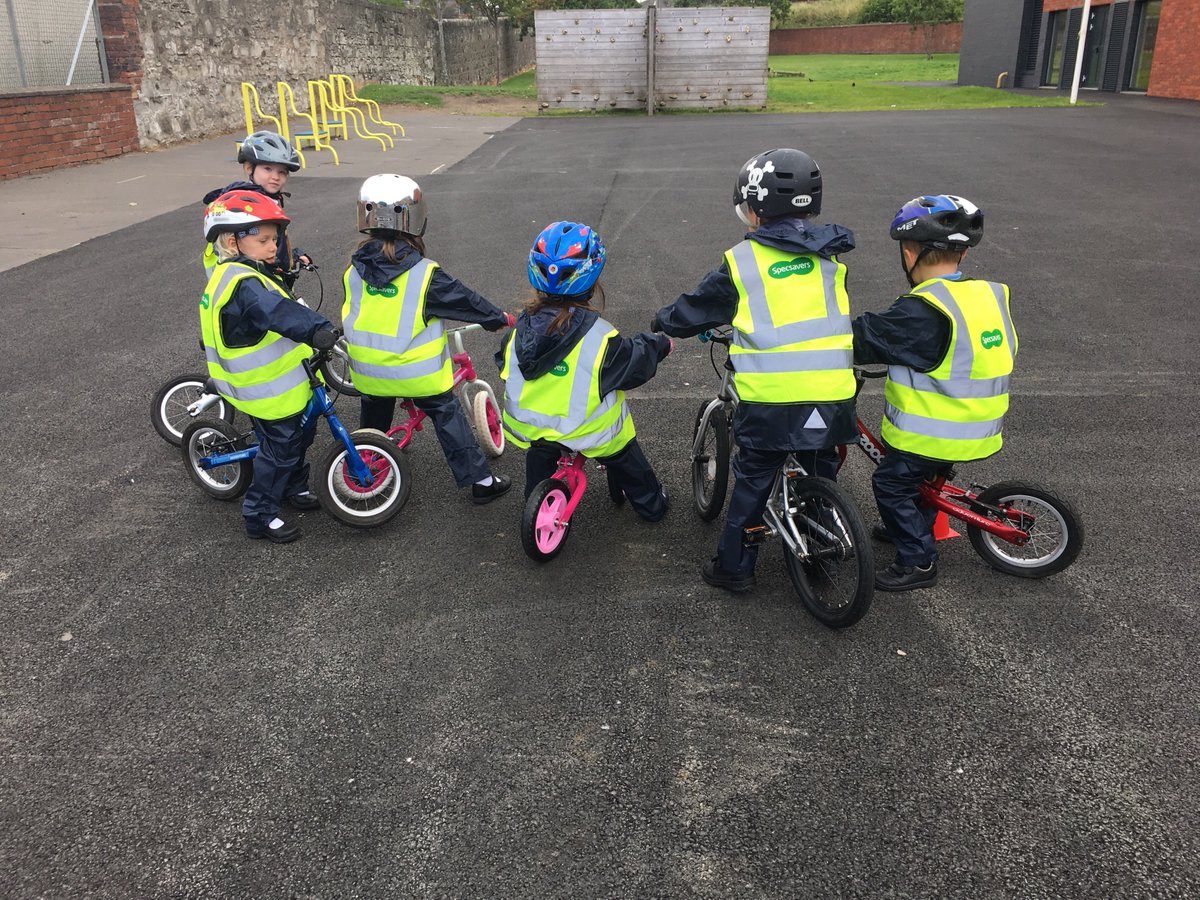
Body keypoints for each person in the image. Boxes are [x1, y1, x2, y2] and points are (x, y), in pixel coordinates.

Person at [652, 148, 857, 593]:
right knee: (819, 469)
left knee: (753, 480)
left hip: (770, 404)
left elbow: (695, 309)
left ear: (755, 209)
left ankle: (734, 568)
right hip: (834, 397)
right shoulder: (832, 258)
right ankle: (821, 546)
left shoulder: (743, 263)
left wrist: (663, 321)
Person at [853, 194, 1016, 591]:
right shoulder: (990, 294)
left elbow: (863, 339)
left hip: (934, 433)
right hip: (980, 424)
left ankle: (918, 560)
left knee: (890, 484)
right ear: (963, 253)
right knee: (919, 479)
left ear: (910, 252)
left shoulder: (922, 309)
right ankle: (911, 525)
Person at [342, 174, 512, 504]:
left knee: (375, 404)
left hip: (366, 371)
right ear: (415, 219)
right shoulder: (424, 274)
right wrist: (498, 318)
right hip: (416, 375)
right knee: (446, 412)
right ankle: (481, 481)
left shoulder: (353, 271)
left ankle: (368, 453)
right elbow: (466, 301)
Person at [498, 221, 671, 521]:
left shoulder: (518, 332)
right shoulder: (599, 337)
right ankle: (652, 505)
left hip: (531, 426)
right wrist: (660, 345)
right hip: (587, 429)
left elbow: (503, 364)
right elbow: (634, 362)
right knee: (623, 451)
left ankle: (535, 501)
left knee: (540, 455)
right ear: (591, 282)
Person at [200, 190, 340, 543]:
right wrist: (318, 329)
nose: (272, 247)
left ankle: (292, 486)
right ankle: (260, 515)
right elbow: (277, 312)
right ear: (232, 241)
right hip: (265, 389)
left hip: (282, 383)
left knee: (301, 435)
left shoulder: (250, 271)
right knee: (280, 449)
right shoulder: (244, 283)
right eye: (262, 240)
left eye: (274, 239)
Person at [201, 131, 312, 283]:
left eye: (282, 172)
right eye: (268, 169)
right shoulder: (243, 209)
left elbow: (263, 245)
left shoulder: (267, 201)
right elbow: (249, 253)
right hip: (250, 288)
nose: (276, 177)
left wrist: (293, 257)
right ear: (249, 168)